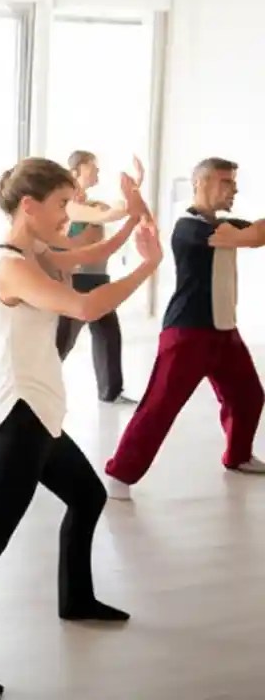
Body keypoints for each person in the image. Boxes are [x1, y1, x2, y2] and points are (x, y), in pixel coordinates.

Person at [0, 158, 152, 698]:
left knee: (89, 497)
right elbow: (87, 304)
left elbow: (91, 254)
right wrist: (149, 267)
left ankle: (76, 599)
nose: (70, 216)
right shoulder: (13, 266)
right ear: (30, 206)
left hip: (40, 416)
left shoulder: (35, 251)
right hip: (15, 421)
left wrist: (130, 220)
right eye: (62, 205)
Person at [103, 157, 265, 501]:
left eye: (234, 183)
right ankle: (120, 474)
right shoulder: (190, 227)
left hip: (223, 330)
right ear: (200, 183)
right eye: (225, 182)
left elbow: (254, 233)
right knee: (160, 406)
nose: (233, 189)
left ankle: (237, 456)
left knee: (249, 396)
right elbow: (252, 236)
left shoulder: (221, 225)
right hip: (187, 333)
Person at [53, 150, 146, 405]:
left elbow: (119, 209)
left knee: (108, 336)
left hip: (97, 280)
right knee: (62, 342)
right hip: (76, 283)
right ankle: (36, 386)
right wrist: (129, 199)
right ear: (76, 171)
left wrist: (133, 190)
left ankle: (111, 391)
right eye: (92, 168)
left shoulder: (92, 205)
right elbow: (111, 214)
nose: (97, 172)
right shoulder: (68, 207)